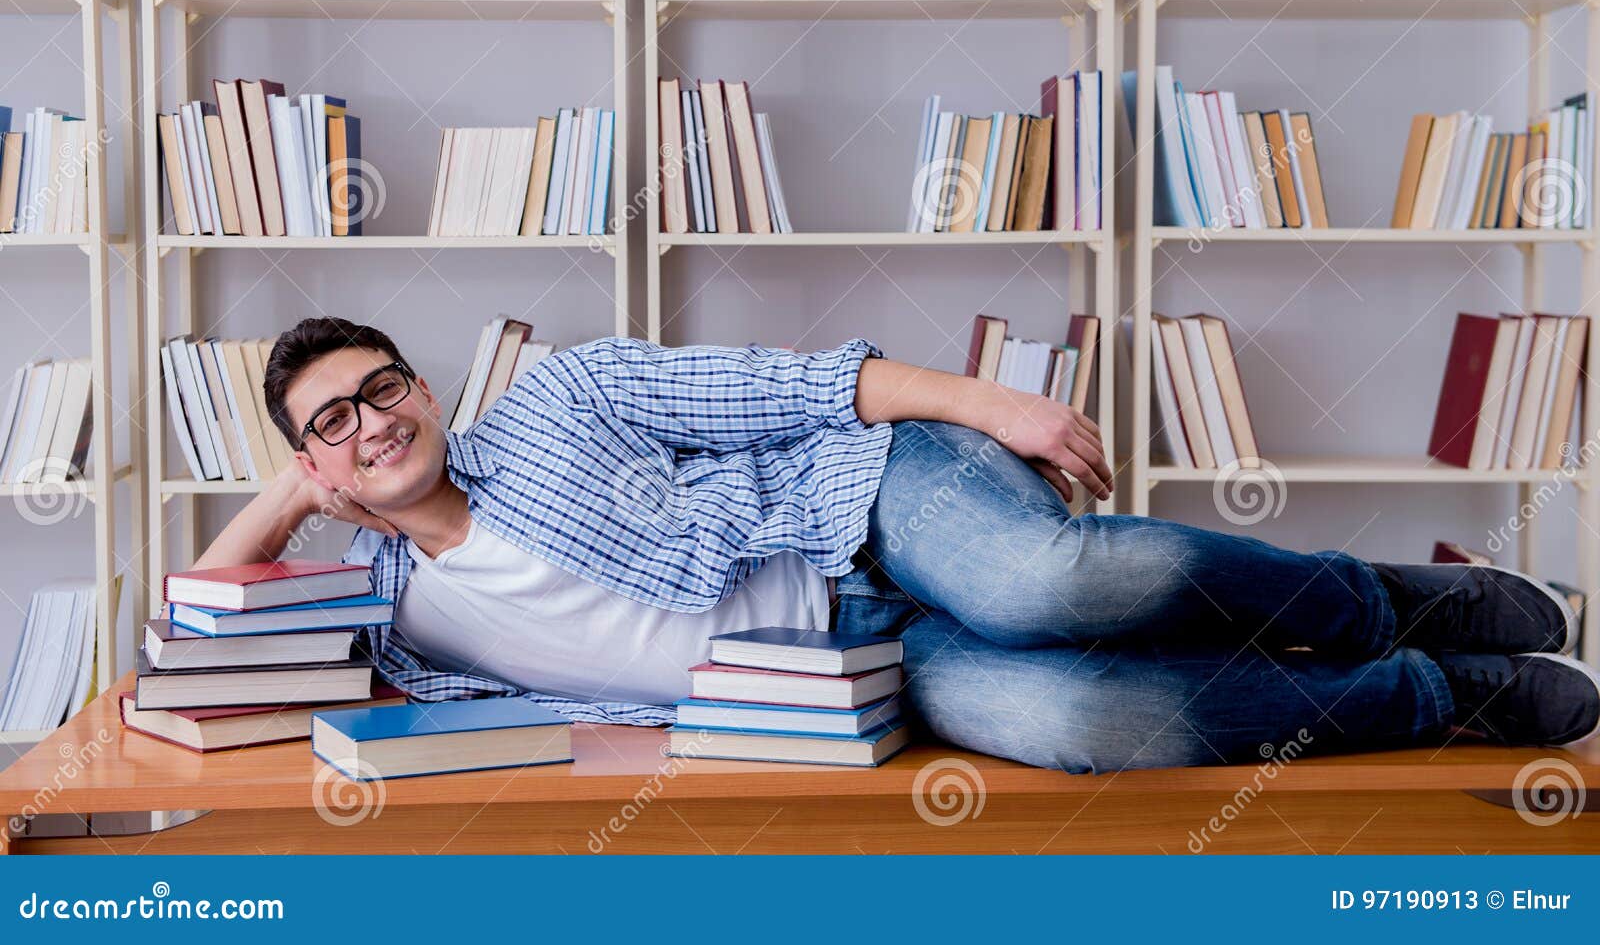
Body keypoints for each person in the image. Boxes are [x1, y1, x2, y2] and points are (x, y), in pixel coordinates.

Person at [193, 316, 1600, 773]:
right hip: (847, 673)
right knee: (1071, 713)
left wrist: (997, 405)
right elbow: (202, 638)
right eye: (334, 420)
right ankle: (1435, 695)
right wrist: (280, 499)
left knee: (1043, 580)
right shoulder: (385, 614)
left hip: (867, 503)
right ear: (314, 458)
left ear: (424, 391)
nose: (374, 420)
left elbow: (792, 385)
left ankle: (1386, 598)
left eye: (386, 386)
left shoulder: (557, 398)